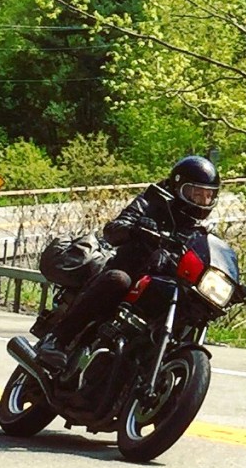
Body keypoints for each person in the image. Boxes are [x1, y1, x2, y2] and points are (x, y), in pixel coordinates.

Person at [34, 155, 221, 378]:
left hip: (163, 284)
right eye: (196, 193)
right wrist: (136, 229)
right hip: (130, 272)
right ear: (178, 187)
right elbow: (113, 229)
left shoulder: (202, 230)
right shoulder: (152, 202)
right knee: (117, 279)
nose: (202, 200)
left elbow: (207, 256)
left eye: (208, 195)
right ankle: (58, 340)